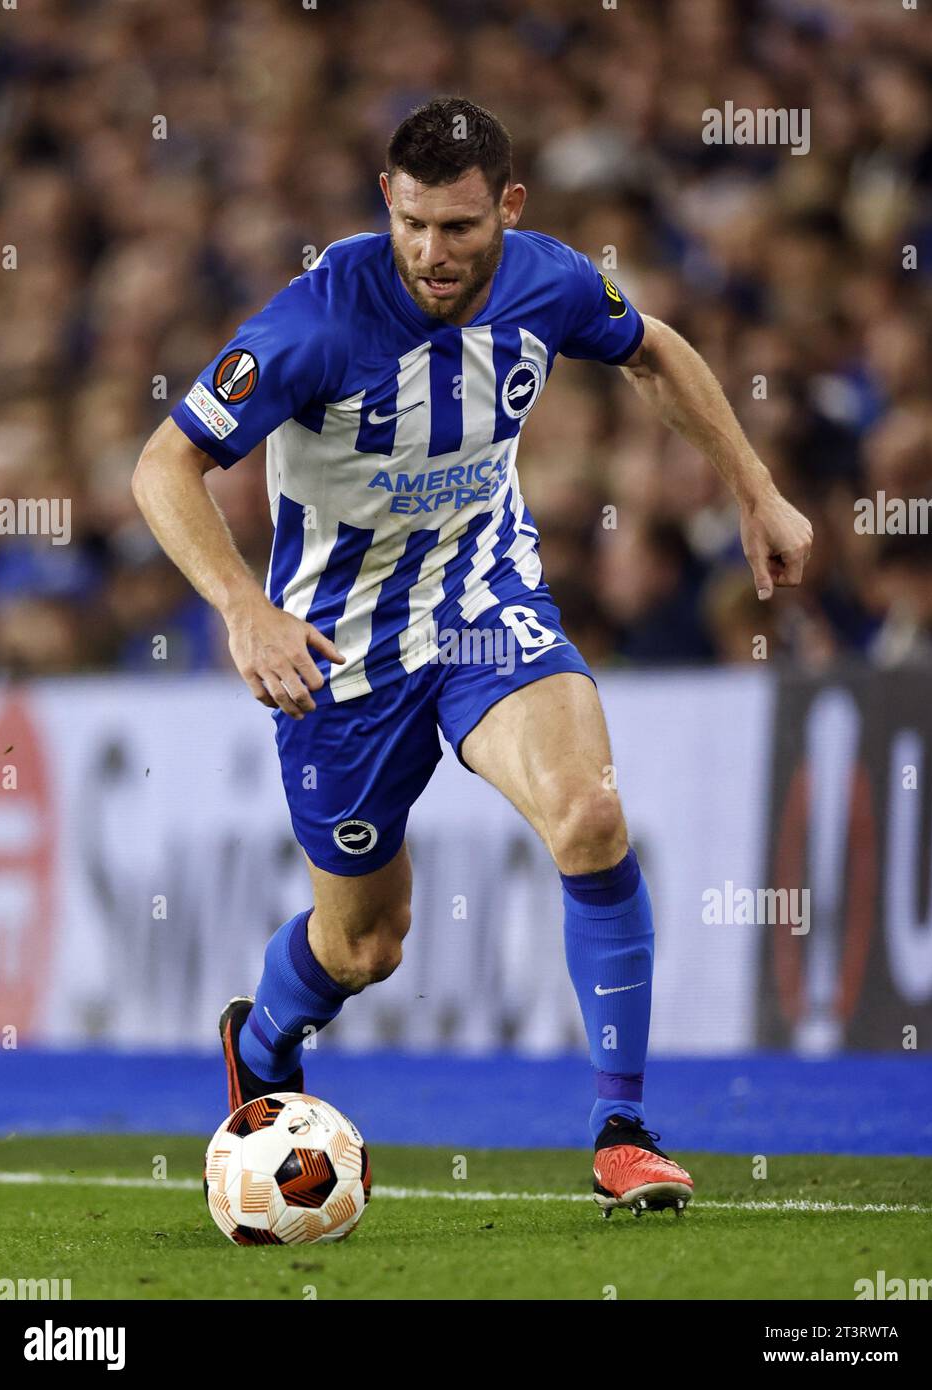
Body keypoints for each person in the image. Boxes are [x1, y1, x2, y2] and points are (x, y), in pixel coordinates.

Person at [132, 98, 812, 1222]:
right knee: (366, 945)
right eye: (410, 226)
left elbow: (651, 351)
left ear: (508, 207)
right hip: (336, 652)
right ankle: (261, 1040)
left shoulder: (548, 281)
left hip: (485, 606)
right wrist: (243, 607)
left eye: (455, 228)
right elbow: (165, 465)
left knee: (590, 818)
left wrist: (754, 485)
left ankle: (622, 1132)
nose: (430, 254)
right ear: (383, 208)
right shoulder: (315, 321)